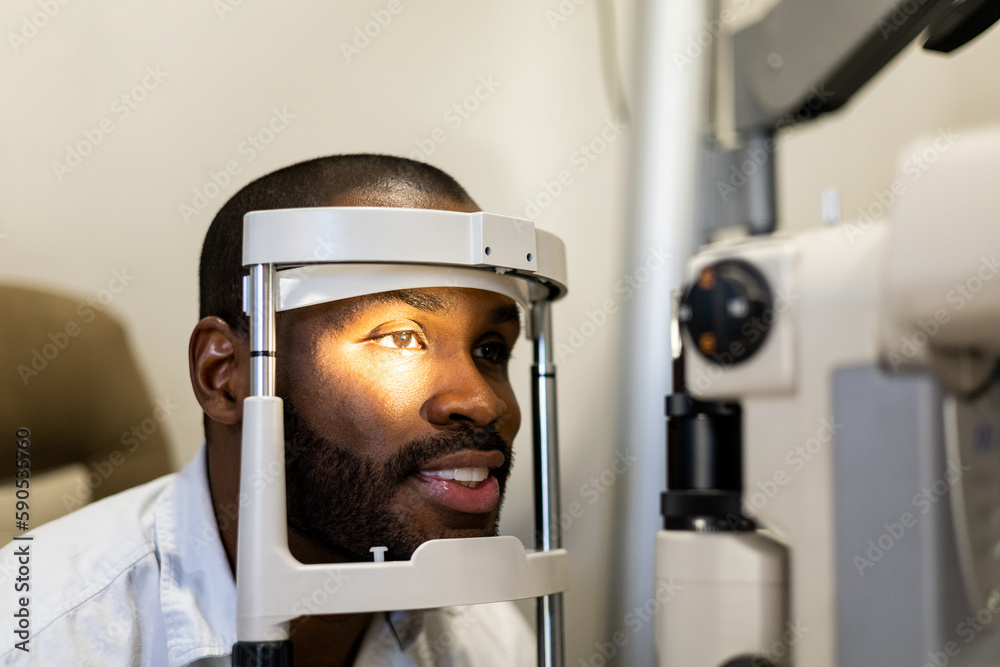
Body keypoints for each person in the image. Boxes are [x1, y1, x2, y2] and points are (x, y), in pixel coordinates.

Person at [0, 155, 535, 666]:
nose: (483, 402)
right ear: (225, 377)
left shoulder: (485, 636)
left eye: (490, 349)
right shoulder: (43, 635)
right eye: (399, 337)